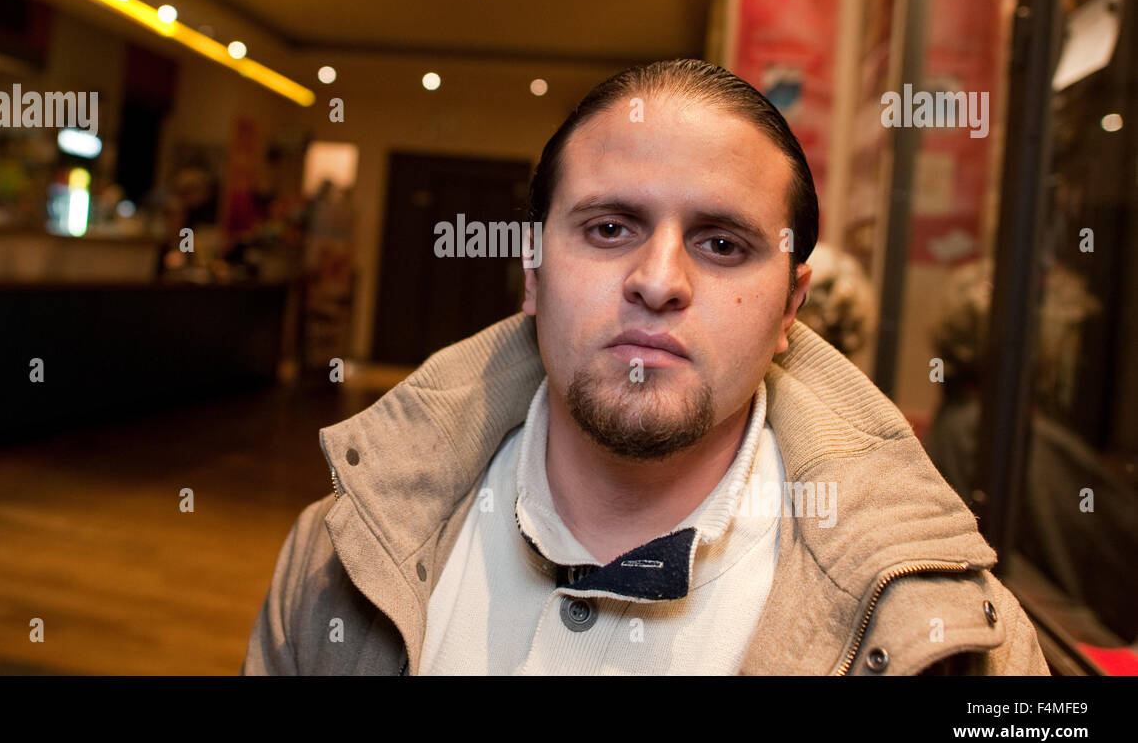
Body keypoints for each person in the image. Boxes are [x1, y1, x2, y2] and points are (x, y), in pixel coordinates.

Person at [242, 59, 1049, 676]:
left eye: (722, 244)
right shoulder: (340, 557)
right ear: (532, 271)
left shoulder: (952, 637)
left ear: (789, 308)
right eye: (609, 228)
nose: (659, 280)